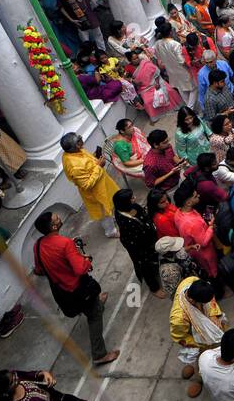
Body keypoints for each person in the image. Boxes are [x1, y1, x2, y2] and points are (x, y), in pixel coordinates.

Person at [32, 211, 119, 366]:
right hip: (78, 288)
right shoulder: (65, 243)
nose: (59, 218)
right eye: (56, 218)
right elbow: (80, 269)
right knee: (95, 316)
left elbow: (38, 270)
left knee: (90, 304)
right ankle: (99, 354)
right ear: (53, 226)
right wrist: (86, 260)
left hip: (61, 290)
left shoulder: (37, 245)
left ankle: (96, 303)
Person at [171, 277, 225, 397]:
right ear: (192, 300)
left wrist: (213, 315)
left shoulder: (191, 281)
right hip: (195, 339)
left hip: (205, 325)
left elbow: (211, 301)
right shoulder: (178, 319)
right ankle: (199, 377)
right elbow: (181, 338)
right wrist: (204, 344)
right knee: (205, 356)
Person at [59, 132, 119, 237]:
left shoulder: (74, 152)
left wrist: (94, 157)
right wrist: (98, 166)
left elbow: (85, 164)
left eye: (79, 138)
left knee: (109, 205)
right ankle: (111, 232)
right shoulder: (74, 166)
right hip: (95, 192)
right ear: (74, 146)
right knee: (104, 213)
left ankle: (112, 218)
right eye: (78, 141)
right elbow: (87, 184)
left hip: (102, 185)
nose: (81, 141)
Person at [111, 189, 163, 299]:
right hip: (138, 246)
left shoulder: (133, 207)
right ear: (124, 203)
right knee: (145, 266)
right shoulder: (124, 220)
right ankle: (154, 288)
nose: (134, 199)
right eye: (131, 198)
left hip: (148, 239)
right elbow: (135, 237)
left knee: (154, 258)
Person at [143, 128, 186, 194]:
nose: (168, 143)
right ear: (156, 145)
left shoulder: (167, 147)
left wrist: (180, 162)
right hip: (168, 189)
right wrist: (171, 173)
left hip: (178, 178)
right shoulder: (150, 164)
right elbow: (152, 183)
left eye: (167, 140)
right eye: (165, 142)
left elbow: (172, 156)